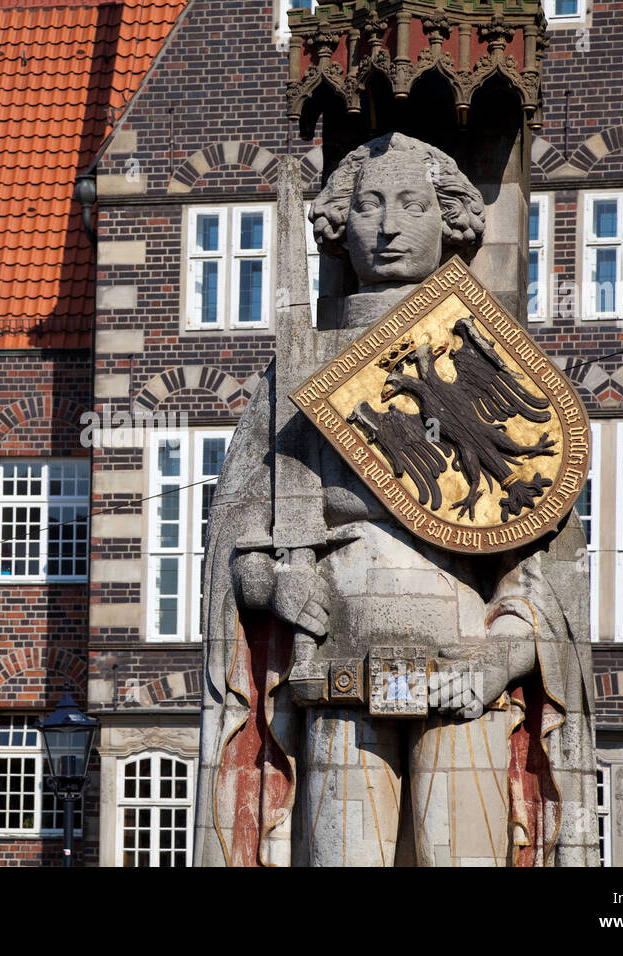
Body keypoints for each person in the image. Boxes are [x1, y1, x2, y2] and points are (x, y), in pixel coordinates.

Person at [195, 132, 596, 867]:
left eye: (411, 204)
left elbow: (541, 559)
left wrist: (501, 660)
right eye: (369, 205)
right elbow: (241, 519)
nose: (387, 225)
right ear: (338, 223)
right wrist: (269, 582)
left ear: (448, 218)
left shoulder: (484, 353)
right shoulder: (298, 369)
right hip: (337, 654)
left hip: (464, 660)